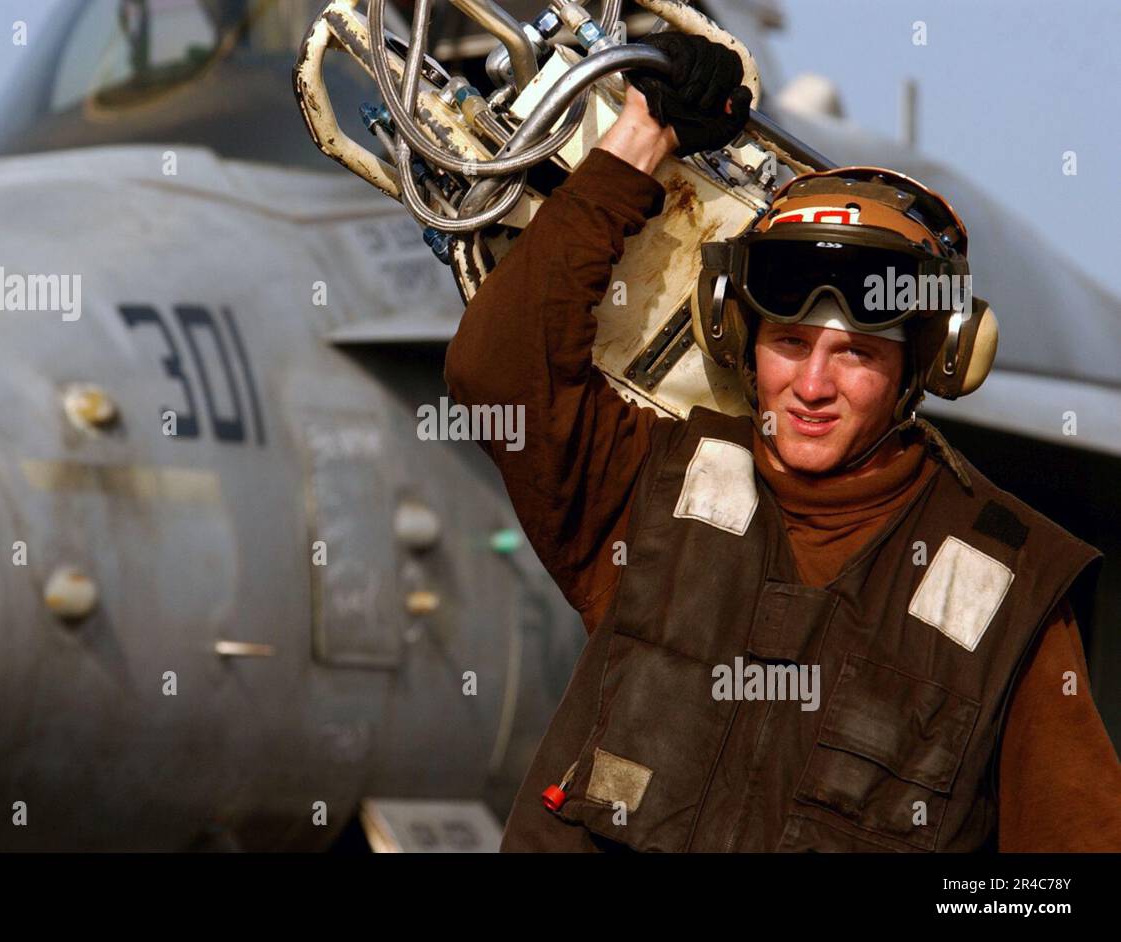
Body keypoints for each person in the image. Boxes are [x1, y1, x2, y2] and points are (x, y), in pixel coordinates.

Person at [443, 31, 1121, 852]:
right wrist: (643, 133)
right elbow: (499, 373)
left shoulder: (1004, 595)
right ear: (737, 340)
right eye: (789, 345)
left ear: (924, 368)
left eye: (858, 356)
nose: (811, 387)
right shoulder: (654, 493)